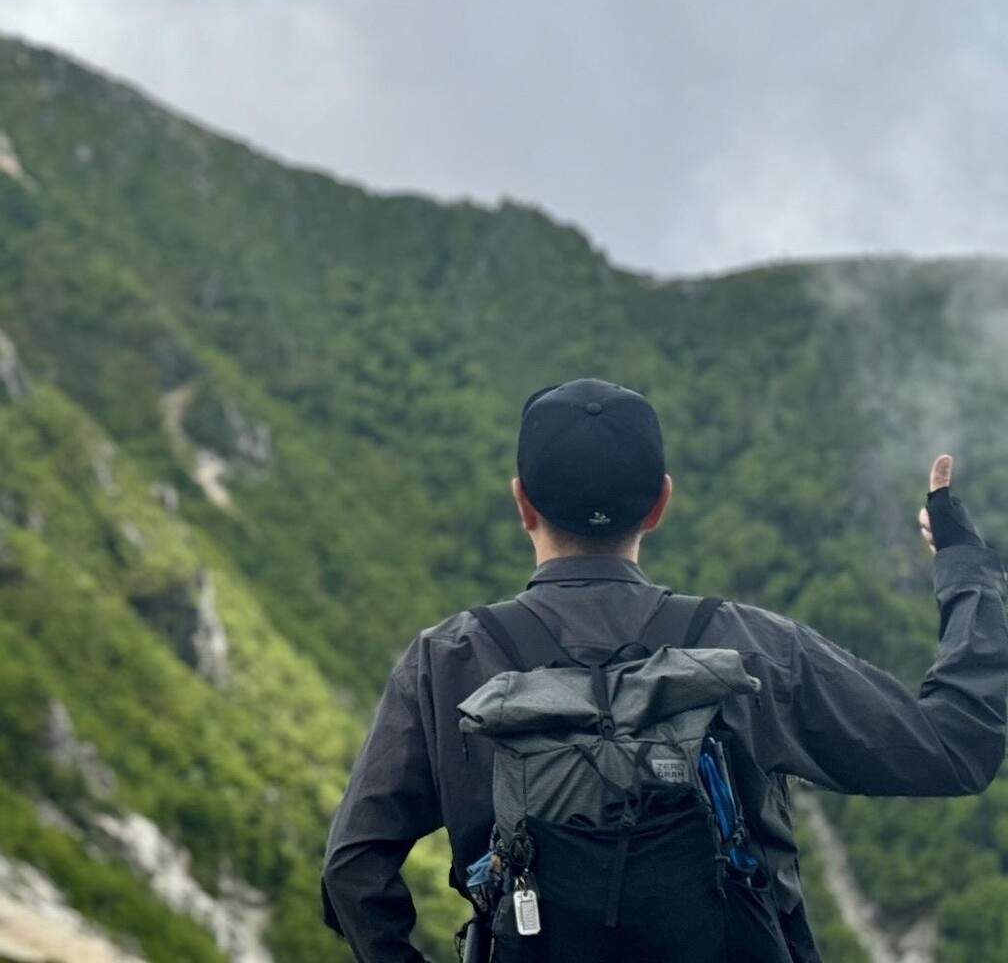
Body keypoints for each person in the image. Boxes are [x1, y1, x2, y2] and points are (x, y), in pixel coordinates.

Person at [321, 377, 1008, 962]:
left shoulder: (447, 660)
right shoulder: (748, 648)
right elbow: (954, 748)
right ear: (660, 503)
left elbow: (352, 868)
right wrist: (967, 572)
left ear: (522, 502)